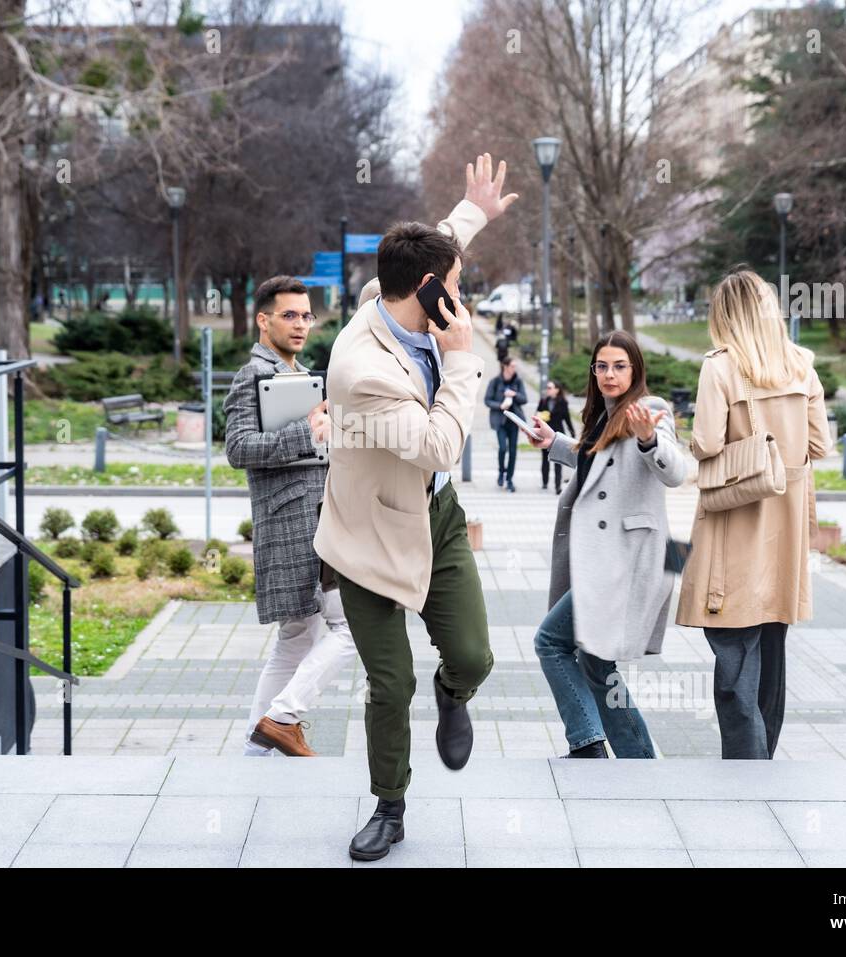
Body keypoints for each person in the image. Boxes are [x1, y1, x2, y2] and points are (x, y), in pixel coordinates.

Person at [315, 153, 518, 862]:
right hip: (368, 535)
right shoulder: (359, 368)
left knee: (473, 655)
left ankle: (453, 692)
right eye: (455, 288)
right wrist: (462, 359)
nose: (462, 298)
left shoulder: (398, 286)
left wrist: (474, 212)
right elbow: (436, 445)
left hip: (433, 517)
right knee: (390, 682)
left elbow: (434, 241)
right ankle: (390, 804)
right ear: (429, 294)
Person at [675, 268, 830, 760]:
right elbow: (820, 444)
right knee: (771, 653)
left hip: (733, 526)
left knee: (733, 654)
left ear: (725, 316)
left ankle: (748, 767)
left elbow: (706, 444)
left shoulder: (719, 368)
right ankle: (763, 757)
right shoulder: (801, 364)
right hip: (783, 539)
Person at [524, 330, 686, 758]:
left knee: (550, 642)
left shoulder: (650, 410)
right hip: (605, 564)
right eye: (601, 366)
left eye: (619, 366)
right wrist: (553, 443)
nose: (609, 374)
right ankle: (639, 760)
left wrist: (650, 440)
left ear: (635, 370)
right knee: (596, 662)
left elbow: (676, 470)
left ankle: (588, 743)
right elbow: (598, 460)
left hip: (629, 563)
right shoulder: (602, 416)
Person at [223, 276, 356, 757]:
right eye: (289, 315)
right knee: (353, 628)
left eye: (306, 315)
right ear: (264, 320)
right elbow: (238, 449)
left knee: (298, 636)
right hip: (291, 521)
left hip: (319, 516)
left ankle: (256, 748)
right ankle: (284, 716)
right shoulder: (252, 375)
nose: (301, 324)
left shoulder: (300, 372)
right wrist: (306, 433)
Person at [484, 357, 526, 491]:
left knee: (513, 451)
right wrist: (500, 405)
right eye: (513, 366)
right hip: (500, 421)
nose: (515, 369)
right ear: (505, 367)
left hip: (514, 421)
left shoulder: (518, 382)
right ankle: (501, 472)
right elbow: (487, 400)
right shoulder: (495, 382)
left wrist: (514, 394)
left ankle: (509, 479)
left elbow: (524, 399)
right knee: (503, 448)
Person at [535, 379, 574, 493]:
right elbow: (537, 414)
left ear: (557, 390)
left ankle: (558, 486)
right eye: (547, 388)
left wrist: (572, 432)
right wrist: (540, 416)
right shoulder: (543, 401)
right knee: (544, 460)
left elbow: (567, 418)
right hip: (545, 435)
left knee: (558, 461)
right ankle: (545, 482)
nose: (547, 390)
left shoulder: (563, 403)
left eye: (550, 388)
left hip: (558, 435)